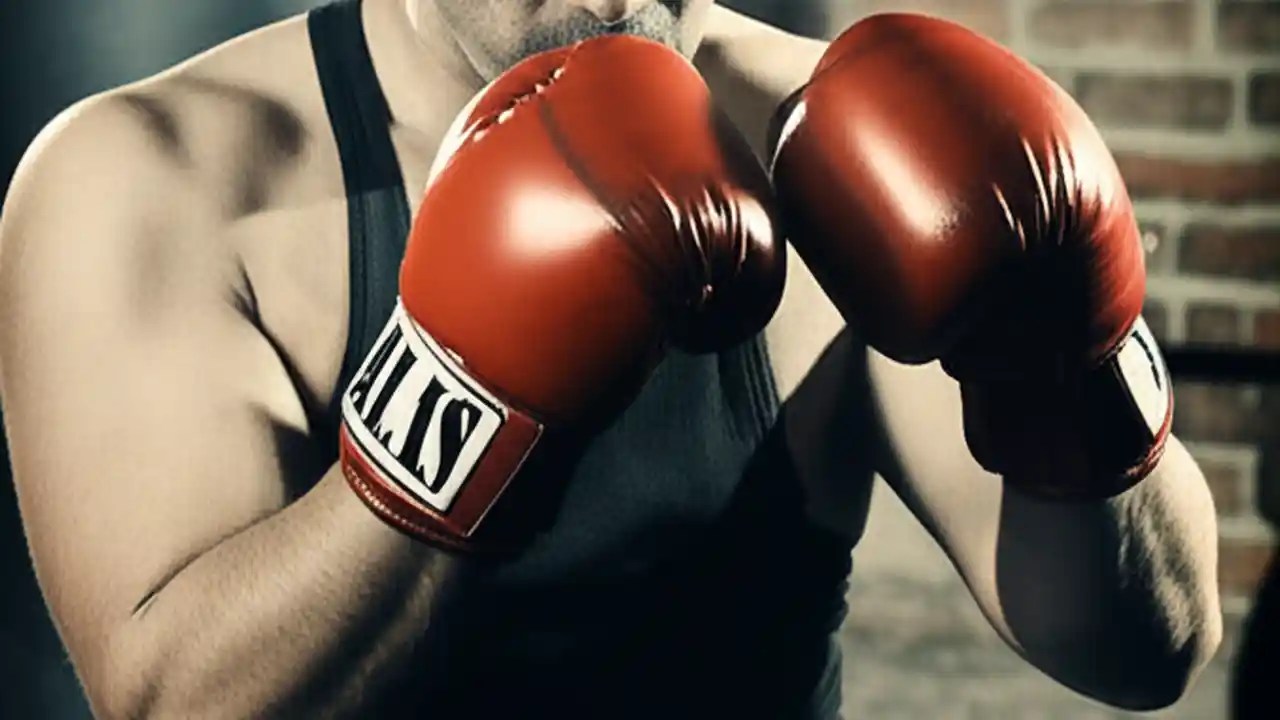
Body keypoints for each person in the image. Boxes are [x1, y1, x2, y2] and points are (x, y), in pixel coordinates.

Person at [0, 1, 1224, 717]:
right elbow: (175, 702)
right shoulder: (149, 177)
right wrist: (464, 392)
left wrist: (1072, 363)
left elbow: (1140, 646)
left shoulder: (837, 138)